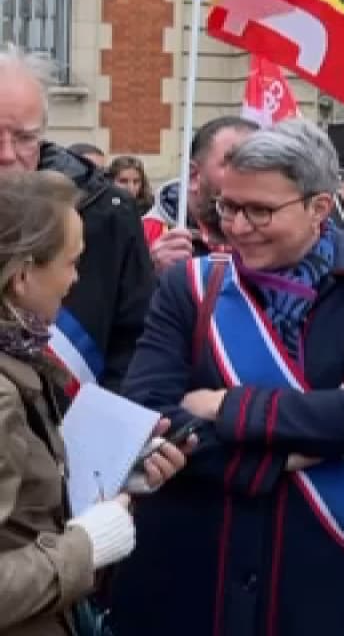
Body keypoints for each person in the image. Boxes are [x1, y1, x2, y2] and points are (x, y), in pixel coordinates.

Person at [112, 120, 344, 636]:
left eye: (260, 211)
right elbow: (150, 413)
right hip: (192, 557)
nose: (236, 226)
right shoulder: (189, 287)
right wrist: (282, 458)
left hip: (320, 562)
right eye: (229, 206)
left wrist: (225, 406)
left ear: (319, 208)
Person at [0, 170, 189, 636]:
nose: (77, 279)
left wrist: (110, 475)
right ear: (23, 276)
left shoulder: (23, 358)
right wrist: (84, 546)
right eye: (71, 262)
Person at [0, 48, 154, 392]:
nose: (8, 155)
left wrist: (124, 431)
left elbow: (135, 344)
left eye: (24, 138)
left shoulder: (107, 212)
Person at [145, 115, 259, 270]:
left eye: (259, 163)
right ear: (193, 175)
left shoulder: (273, 236)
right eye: (235, 162)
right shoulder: (146, 234)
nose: (251, 174)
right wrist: (150, 272)